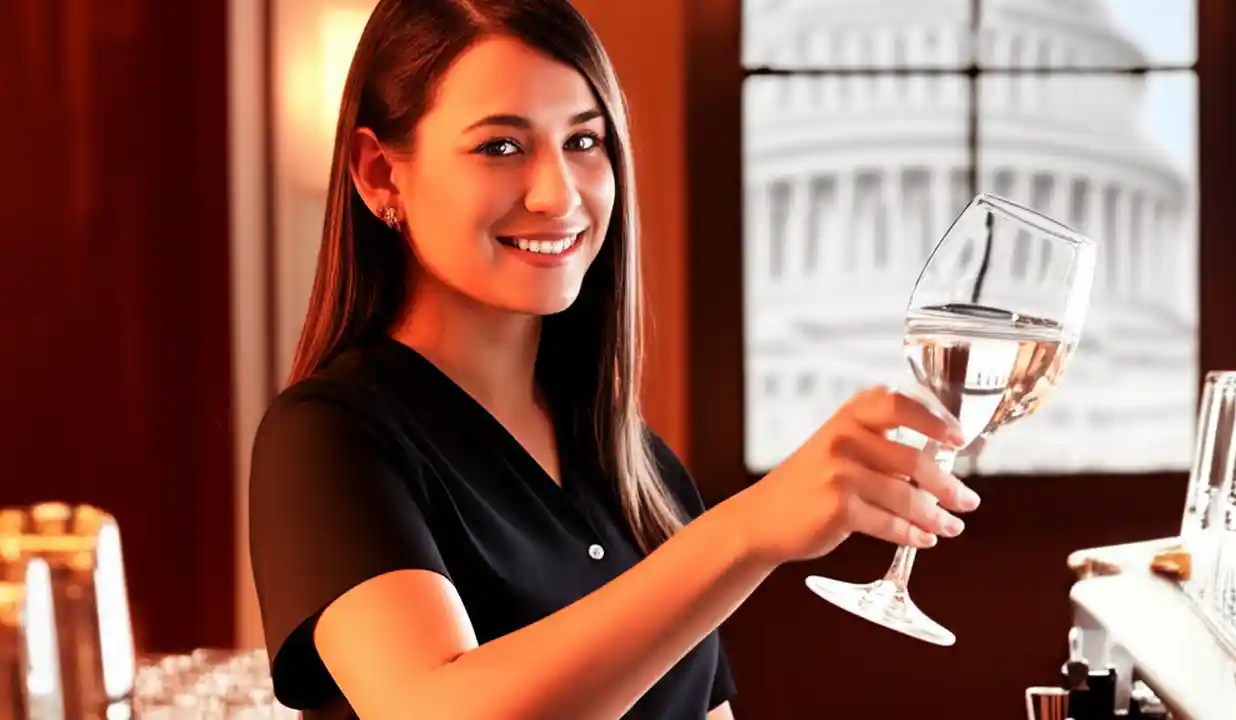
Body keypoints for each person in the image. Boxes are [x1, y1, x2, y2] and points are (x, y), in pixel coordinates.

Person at [248, 1, 981, 718]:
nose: (558, 193)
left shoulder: (641, 467)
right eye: (500, 146)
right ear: (379, 175)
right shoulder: (329, 438)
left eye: (584, 143)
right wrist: (748, 532)